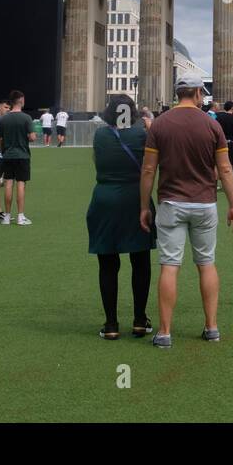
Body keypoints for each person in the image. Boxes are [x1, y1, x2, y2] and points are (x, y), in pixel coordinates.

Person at [139, 73, 233, 348]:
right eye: (202, 93)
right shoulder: (211, 124)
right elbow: (225, 169)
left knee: (169, 266)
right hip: (204, 203)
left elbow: (148, 169)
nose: (204, 97)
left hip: (171, 203)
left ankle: (165, 332)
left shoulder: (159, 125)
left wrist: (143, 205)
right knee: (206, 263)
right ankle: (212, 327)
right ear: (196, 93)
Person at [88, 94, 156, 339]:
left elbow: (98, 163)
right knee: (140, 261)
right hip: (136, 199)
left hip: (105, 199)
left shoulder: (100, 135)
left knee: (107, 263)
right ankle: (139, 319)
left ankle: (111, 324)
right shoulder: (142, 133)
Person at [0, 90, 36, 225]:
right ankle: (20, 216)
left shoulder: (3, 118)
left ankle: (6, 216)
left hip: (7, 155)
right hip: (22, 155)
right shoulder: (26, 118)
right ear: (21, 100)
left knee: (8, 184)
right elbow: (33, 137)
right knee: (21, 184)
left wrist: (3, 150)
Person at [215, 101, 233, 175]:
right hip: (230, 142)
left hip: (219, 142)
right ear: (232, 108)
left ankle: (216, 183)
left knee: (217, 162)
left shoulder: (218, 116)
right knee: (230, 162)